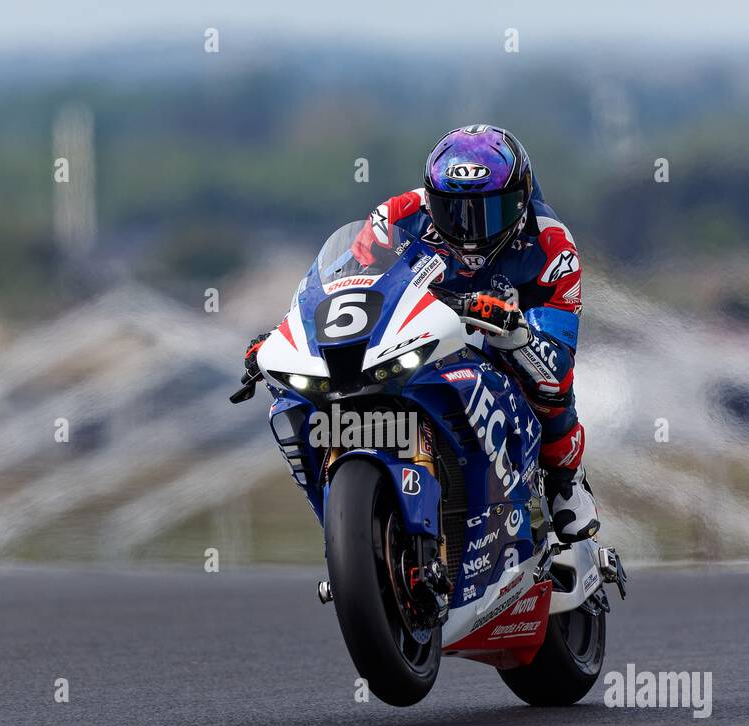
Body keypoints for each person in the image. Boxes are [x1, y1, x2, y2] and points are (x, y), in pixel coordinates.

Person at [246, 124, 598, 541]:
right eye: (455, 211)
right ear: (431, 201)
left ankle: (565, 481)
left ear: (521, 202)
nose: (470, 230)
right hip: (420, 334)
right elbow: (343, 291)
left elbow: (558, 362)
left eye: (489, 212)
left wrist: (516, 331)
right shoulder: (395, 217)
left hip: (506, 328)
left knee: (549, 384)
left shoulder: (551, 244)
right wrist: (289, 333)